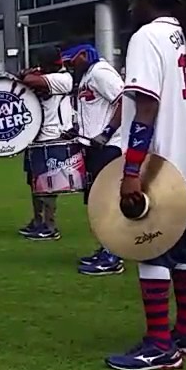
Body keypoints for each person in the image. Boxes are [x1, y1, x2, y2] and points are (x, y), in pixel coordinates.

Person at [103, 0, 186, 370]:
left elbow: (146, 107)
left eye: (133, 0)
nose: (131, 7)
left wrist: (131, 170)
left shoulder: (146, 37)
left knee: (150, 249)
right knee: (185, 256)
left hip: (163, 168)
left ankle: (159, 346)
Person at [61, 41, 126, 276]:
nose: (69, 66)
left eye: (71, 61)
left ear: (82, 54)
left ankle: (113, 255)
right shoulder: (88, 75)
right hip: (94, 146)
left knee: (107, 202)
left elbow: (124, 100)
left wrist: (107, 132)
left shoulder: (101, 72)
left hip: (110, 147)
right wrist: (77, 131)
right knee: (97, 202)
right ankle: (106, 247)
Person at [18, 46, 75, 241]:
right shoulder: (48, 75)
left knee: (49, 184)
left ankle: (50, 226)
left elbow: (29, 80)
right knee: (34, 182)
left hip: (53, 137)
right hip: (35, 136)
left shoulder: (63, 78)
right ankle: (37, 221)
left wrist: (28, 73)